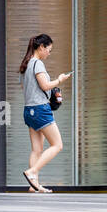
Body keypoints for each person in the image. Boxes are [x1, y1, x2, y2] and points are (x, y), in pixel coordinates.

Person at [20, 33, 69, 193]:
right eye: (49, 49)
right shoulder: (37, 63)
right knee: (57, 145)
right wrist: (60, 80)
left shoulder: (26, 64)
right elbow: (45, 85)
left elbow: (27, 88)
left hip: (29, 110)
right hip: (40, 109)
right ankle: (32, 172)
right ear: (41, 47)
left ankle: (33, 185)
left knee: (36, 149)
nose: (49, 53)